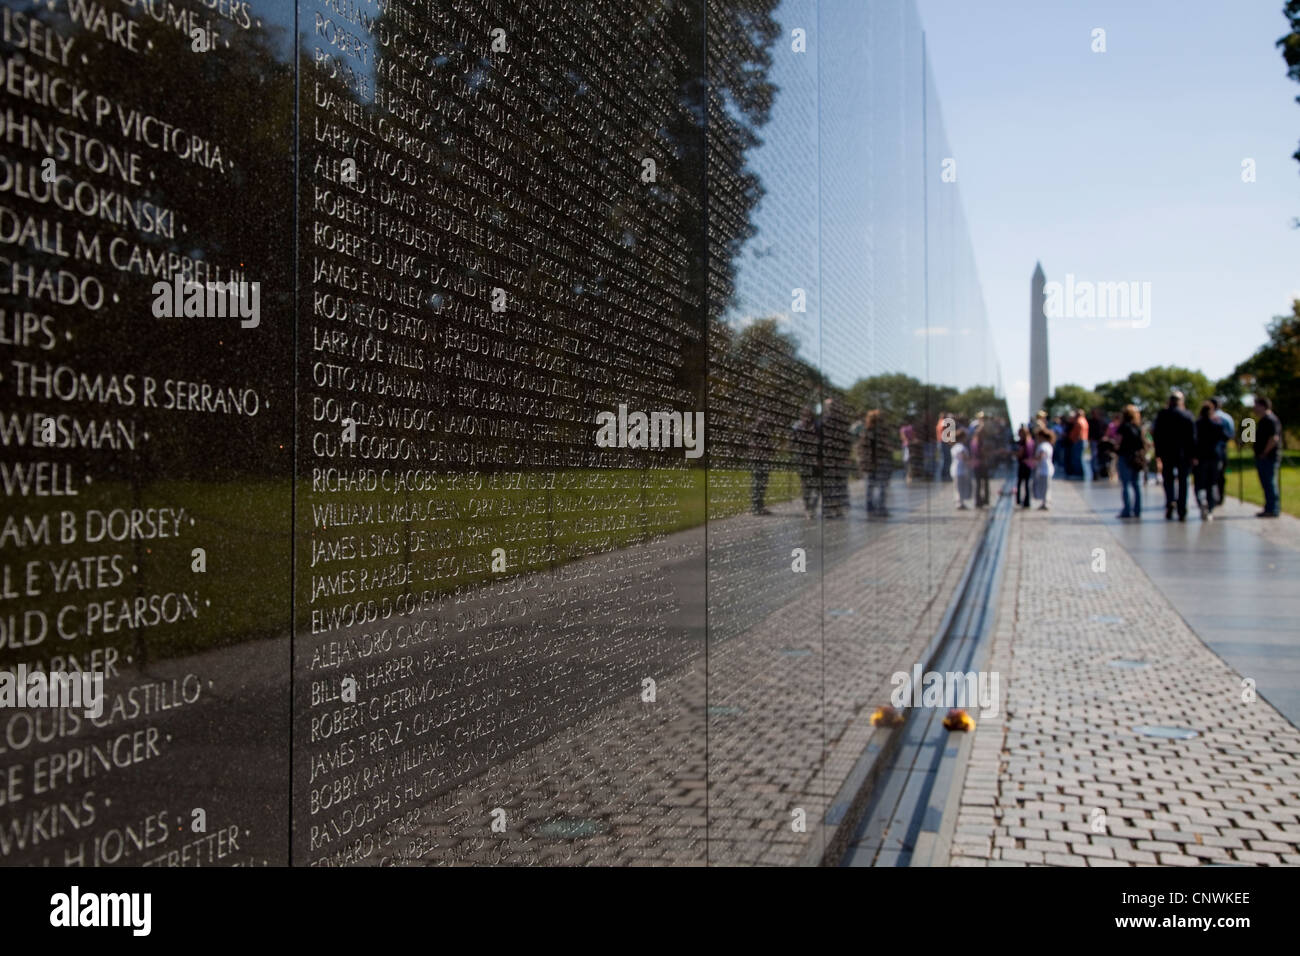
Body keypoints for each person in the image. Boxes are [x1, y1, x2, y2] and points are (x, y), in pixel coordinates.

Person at [1153, 390, 1196, 521]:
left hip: (1167, 453)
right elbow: (1193, 437)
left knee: (1168, 479)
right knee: (1184, 481)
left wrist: (1158, 453)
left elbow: (1157, 435)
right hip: (1184, 454)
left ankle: (1170, 501)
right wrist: (1193, 454)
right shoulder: (1187, 415)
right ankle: (1182, 507)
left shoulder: (1162, 415)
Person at [820, 397, 852, 518]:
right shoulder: (825, 421)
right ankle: (831, 507)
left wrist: (846, 455)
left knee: (838, 483)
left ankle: (836, 507)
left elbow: (846, 440)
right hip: (830, 458)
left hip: (837, 458)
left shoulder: (840, 422)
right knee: (832, 484)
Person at [1192, 401, 1223, 520]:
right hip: (1214, 456)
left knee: (1199, 483)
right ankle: (1210, 507)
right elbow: (1223, 436)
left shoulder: (1197, 424)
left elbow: (1193, 441)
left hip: (1200, 457)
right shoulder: (1216, 424)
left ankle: (1201, 502)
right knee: (1211, 483)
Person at [858, 409, 891, 517]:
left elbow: (862, 448)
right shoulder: (880, 431)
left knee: (869, 486)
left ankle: (870, 507)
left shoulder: (865, 430)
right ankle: (880, 508)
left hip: (868, 463)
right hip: (878, 461)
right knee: (881, 486)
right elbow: (884, 447)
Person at [1252, 397, 1282, 518]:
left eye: (1256, 405)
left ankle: (1272, 509)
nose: (1254, 408)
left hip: (1268, 457)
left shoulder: (1270, 420)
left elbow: (1274, 439)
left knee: (1269, 483)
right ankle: (1269, 507)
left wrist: (1264, 452)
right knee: (1266, 483)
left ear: (1263, 406)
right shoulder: (1264, 420)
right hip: (1264, 457)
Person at [791, 406, 820, 520]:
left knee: (812, 486)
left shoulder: (816, 427)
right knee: (808, 486)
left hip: (812, 460)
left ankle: (810, 508)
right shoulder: (798, 427)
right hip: (805, 460)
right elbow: (793, 443)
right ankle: (809, 508)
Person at [1116, 405, 1144, 518]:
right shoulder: (1138, 427)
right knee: (1136, 485)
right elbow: (1142, 443)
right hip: (1136, 458)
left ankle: (1127, 510)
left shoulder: (1123, 427)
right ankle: (1138, 509)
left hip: (1125, 456)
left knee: (1126, 484)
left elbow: (1118, 441)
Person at [749, 408, 777, 515]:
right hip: (757, 460)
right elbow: (755, 443)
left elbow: (767, 444)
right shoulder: (756, 427)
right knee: (757, 483)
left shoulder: (764, 429)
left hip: (763, 459)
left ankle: (760, 506)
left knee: (762, 483)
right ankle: (756, 507)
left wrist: (771, 451)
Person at [1210, 397, 1234, 508]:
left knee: (1211, 476)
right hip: (1222, 450)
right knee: (1221, 475)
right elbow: (1231, 434)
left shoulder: (1208, 417)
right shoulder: (1227, 418)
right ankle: (1220, 497)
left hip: (1210, 451)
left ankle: (1213, 497)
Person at [1033, 426, 1055, 509]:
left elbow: (1041, 455)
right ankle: (1045, 502)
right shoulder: (1048, 445)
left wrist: (1033, 460)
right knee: (1047, 487)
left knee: (1045, 487)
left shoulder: (1043, 445)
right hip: (1048, 468)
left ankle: (1046, 503)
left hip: (1044, 469)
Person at [951, 428, 972, 509]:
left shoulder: (955, 446)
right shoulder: (960, 447)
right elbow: (963, 456)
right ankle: (959, 503)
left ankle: (960, 502)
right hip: (959, 469)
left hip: (956, 469)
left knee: (957, 487)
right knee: (960, 487)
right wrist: (969, 462)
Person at [1015, 424, 1034, 508]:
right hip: (1029, 464)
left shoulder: (1023, 442)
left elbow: (1020, 453)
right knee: (1026, 483)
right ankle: (1027, 501)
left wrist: (1012, 454)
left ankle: (1019, 500)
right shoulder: (1031, 441)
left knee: (1020, 483)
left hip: (1023, 464)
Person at [1068, 408, 1088, 479]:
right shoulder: (1084, 420)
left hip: (1079, 441)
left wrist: (1076, 439)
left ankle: (1078, 474)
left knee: (1077, 458)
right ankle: (1081, 473)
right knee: (1081, 458)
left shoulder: (1079, 421)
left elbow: (1079, 432)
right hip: (1083, 440)